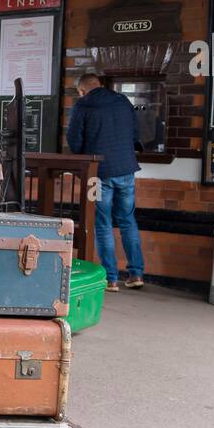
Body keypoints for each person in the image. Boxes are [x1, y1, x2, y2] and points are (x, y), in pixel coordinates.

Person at [66, 73, 144, 292]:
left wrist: (83, 155)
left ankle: (111, 279)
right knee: (128, 220)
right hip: (127, 169)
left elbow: (74, 139)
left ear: (82, 90)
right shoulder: (122, 101)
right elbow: (135, 133)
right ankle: (136, 273)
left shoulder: (83, 105)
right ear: (99, 85)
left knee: (102, 224)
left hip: (97, 173)